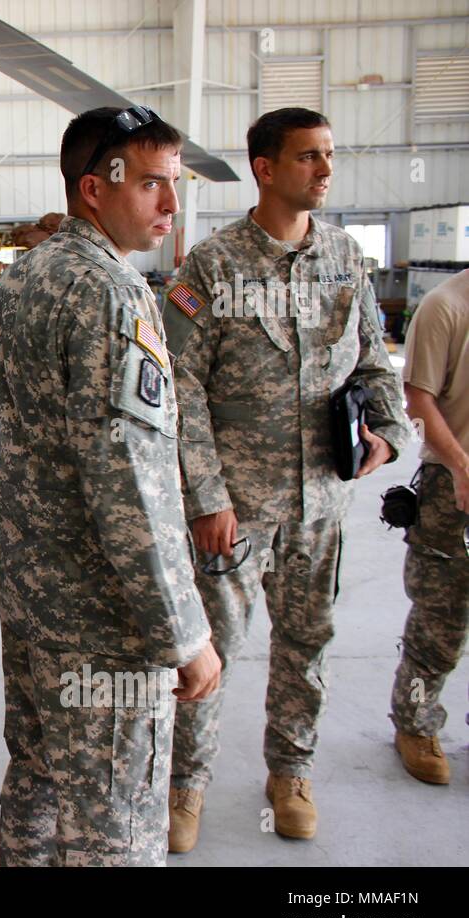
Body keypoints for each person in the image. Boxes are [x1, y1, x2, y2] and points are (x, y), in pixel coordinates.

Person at [161, 108, 407, 850]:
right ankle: (185, 784)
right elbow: (181, 386)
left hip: (321, 502)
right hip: (237, 507)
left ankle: (291, 771)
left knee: (309, 640)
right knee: (212, 649)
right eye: (309, 158)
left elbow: (372, 361)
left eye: (329, 156)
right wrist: (205, 495)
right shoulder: (213, 265)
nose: (326, 171)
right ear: (265, 168)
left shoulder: (344, 257)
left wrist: (388, 436)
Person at [0, 106, 221, 867]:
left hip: (31, 598)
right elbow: (134, 488)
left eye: (173, 184)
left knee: (38, 781)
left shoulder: (26, 279)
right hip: (101, 623)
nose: (171, 205)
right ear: (95, 187)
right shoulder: (110, 295)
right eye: (153, 184)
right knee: (114, 818)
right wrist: (185, 631)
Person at [389, 268, 469, 784]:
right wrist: (462, 468)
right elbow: (418, 401)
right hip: (453, 484)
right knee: (442, 620)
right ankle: (414, 725)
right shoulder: (446, 306)